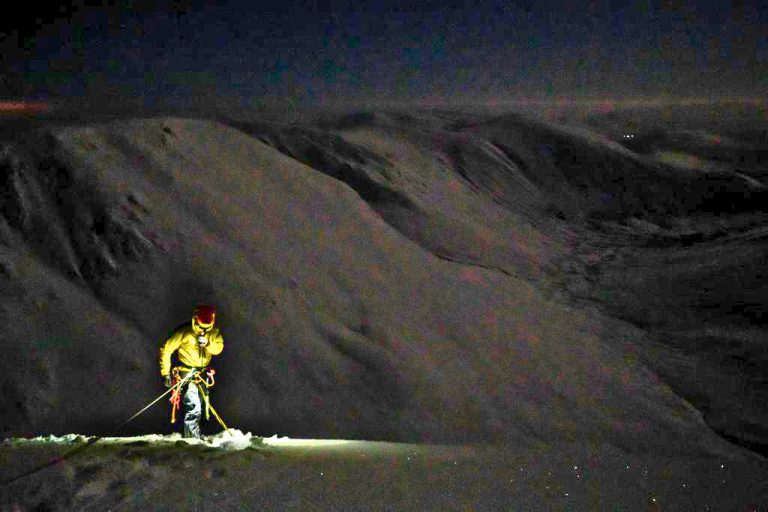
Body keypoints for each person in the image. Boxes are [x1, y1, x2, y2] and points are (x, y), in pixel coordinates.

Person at [159, 304, 224, 438]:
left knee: (199, 407)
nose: (204, 329)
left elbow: (218, 348)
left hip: (202, 376)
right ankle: (193, 440)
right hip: (187, 375)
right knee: (194, 407)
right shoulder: (184, 332)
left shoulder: (213, 333)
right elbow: (166, 349)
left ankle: (192, 437)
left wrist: (208, 343)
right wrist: (165, 373)